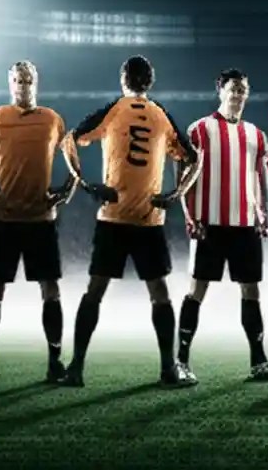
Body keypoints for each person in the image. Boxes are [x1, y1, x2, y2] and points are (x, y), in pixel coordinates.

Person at [59, 55, 201, 388]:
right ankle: (169, 369)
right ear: (149, 82)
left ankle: (76, 368)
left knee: (95, 291)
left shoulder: (115, 109)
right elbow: (194, 158)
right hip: (148, 219)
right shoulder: (160, 115)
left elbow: (69, 140)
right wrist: (176, 193)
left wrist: (85, 183)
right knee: (160, 295)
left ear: (124, 79)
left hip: (114, 217)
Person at [0, 61, 76, 383]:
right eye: (17, 80)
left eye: (28, 80)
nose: (23, 85)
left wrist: (67, 189)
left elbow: (72, 156)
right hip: (6, 219)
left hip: (41, 219)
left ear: (36, 82)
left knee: (50, 290)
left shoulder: (52, 120)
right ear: (9, 83)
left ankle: (55, 362)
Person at [177, 68, 268, 382]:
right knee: (198, 289)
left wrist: (264, 215)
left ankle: (258, 361)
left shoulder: (256, 135)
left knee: (251, 290)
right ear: (220, 90)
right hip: (209, 224)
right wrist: (190, 217)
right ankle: (180, 360)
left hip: (245, 225)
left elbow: (260, 178)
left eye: (243, 90)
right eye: (233, 89)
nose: (238, 95)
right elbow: (183, 180)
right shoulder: (199, 130)